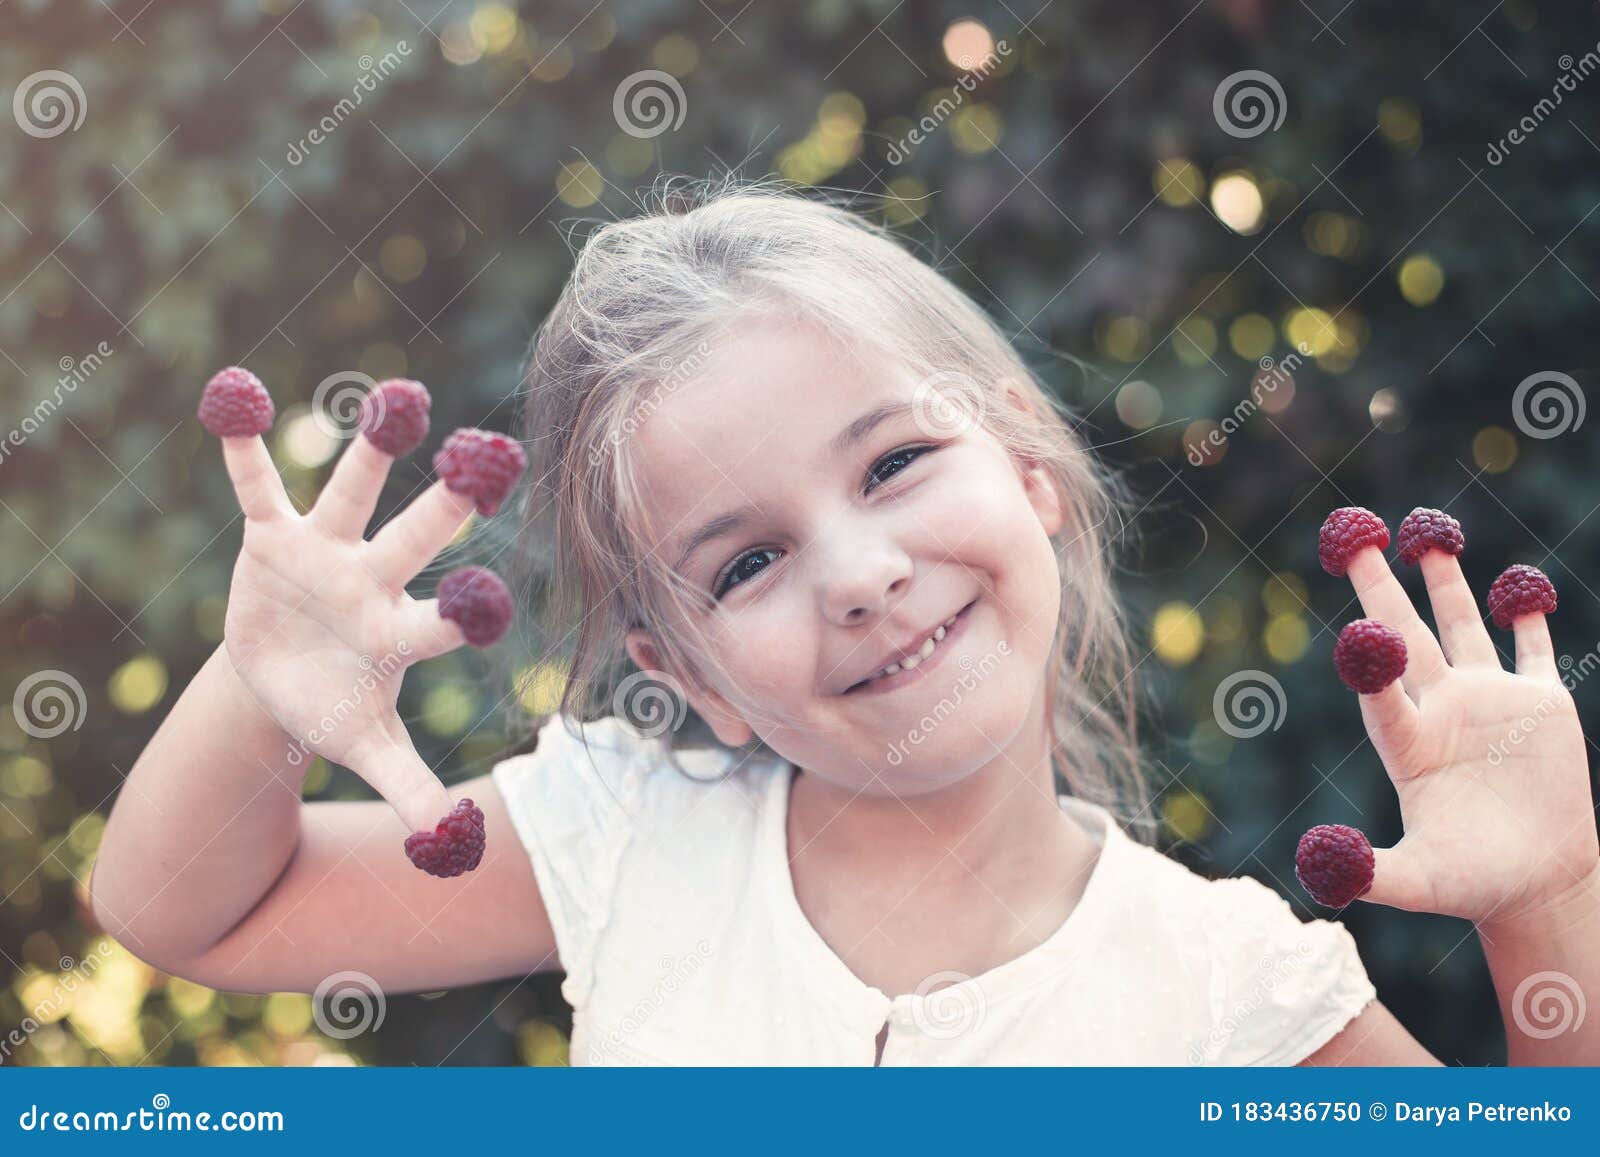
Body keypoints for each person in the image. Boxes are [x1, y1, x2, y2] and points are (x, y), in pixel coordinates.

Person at [90, 177, 1600, 1065]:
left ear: (1028, 465)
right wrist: (261, 688)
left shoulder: (1235, 986)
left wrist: (1552, 901)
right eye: (747, 562)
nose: (861, 574)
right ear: (689, 676)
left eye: (893, 465)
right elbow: (185, 912)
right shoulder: (623, 839)